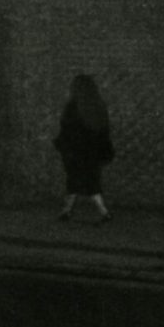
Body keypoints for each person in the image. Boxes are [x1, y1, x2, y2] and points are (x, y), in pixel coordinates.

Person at [53, 74, 113, 223]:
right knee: (91, 181)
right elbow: (104, 130)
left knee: (75, 182)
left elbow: (67, 129)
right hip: (93, 152)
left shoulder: (73, 107)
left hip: (75, 152)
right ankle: (66, 211)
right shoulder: (98, 105)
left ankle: (103, 212)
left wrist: (61, 144)